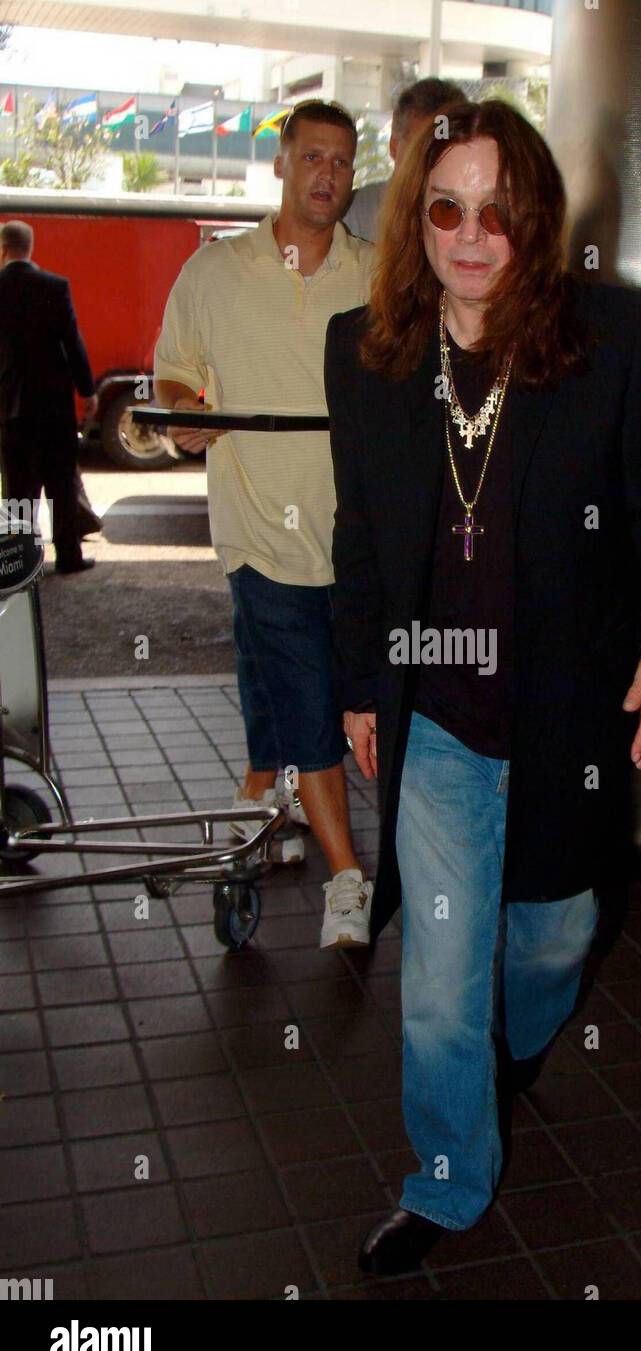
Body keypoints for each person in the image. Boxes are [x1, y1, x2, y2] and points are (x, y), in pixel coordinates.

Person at [325, 99, 641, 1274]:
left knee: (548, 944)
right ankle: (446, 1181)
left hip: (563, 720)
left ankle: (509, 1057)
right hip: (435, 718)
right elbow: (360, 540)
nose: (472, 233)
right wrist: (355, 683)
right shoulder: (366, 349)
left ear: (533, 220)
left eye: (499, 210)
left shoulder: (616, 340)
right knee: (440, 986)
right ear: (416, 220)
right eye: (446, 207)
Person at [154, 100, 376, 949]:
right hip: (258, 533)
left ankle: (253, 802)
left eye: (343, 161)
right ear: (281, 164)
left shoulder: (375, 275)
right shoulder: (214, 273)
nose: (328, 174)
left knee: (275, 682)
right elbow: (172, 376)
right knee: (313, 697)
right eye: (313, 156)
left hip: (354, 543)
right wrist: (186, 413)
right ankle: (347, 881)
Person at [0, 220, 98, 573]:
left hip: (10, 409)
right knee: (61, 485)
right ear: (30, 247)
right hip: (53, 408)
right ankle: (68, 557)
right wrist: (88, 391)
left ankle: (19, 563)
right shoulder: (55, 287)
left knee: (19, 491)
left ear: (3, 249)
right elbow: (73, 344)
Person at [345, 77, 465, 243]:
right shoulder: (352, 215)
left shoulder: (472, 219)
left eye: (443, 149)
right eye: (417, 150)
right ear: (394, 147)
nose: (430, 162)